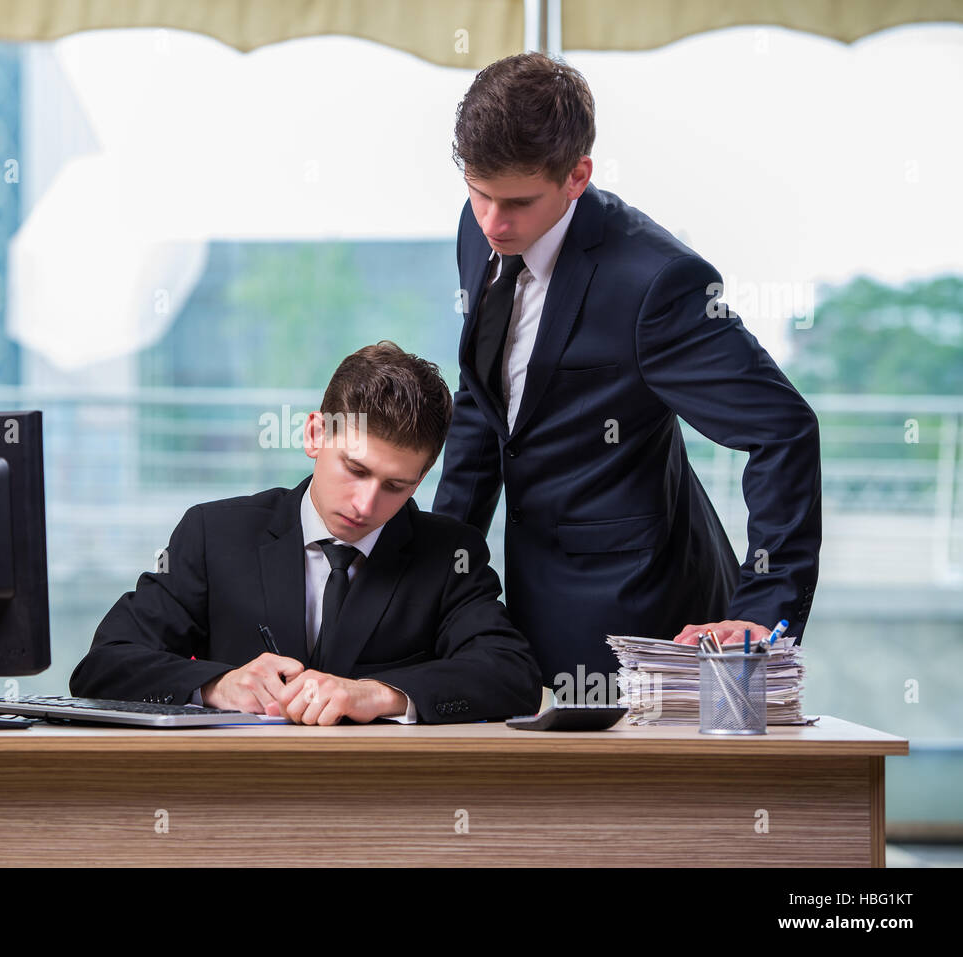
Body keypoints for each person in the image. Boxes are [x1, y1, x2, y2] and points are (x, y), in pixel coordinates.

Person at [431, 53, 822, 696]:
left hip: (644, 615)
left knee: (633, 799)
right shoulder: (482, 234)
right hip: (525, 593)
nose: (494, 222)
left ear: (577, 176)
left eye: (518, 202)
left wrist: (762, 614)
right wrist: (442, 569)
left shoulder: (657, 281)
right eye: (478, 194)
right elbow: (485, 402)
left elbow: (783, 430)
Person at [70, 341, 542, 724]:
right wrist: (217, 686)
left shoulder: (447, 555)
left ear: (423, 477)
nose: (366, 505)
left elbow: (511, 675)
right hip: (228, 798)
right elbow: (104, 667)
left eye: (396, 486)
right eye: (355, 469)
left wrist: (380, 695)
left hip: (387, 807)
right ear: (315, 435)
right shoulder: (214, 534)